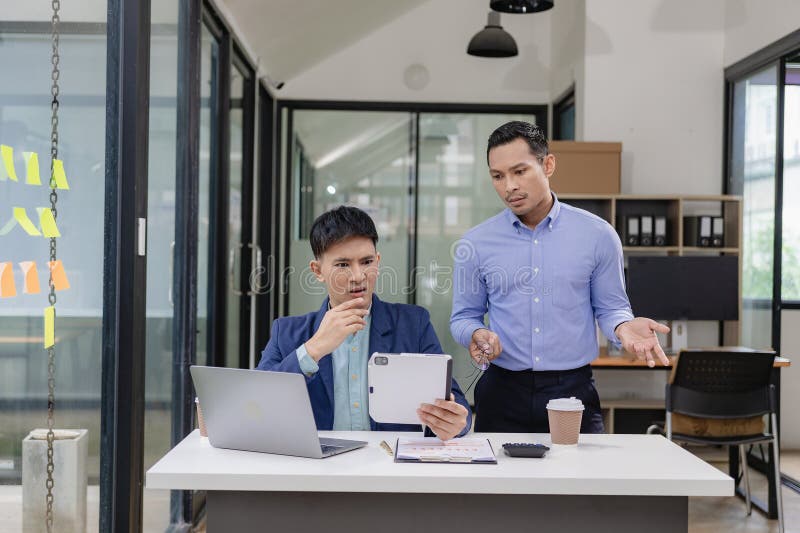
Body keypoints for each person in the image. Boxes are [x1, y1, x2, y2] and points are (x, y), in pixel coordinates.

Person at [450, 121, 669, 433]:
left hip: (572, 390)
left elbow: (610, 308)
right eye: (498, 176)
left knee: (582, 480)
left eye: (520, 171)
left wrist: (622, 326)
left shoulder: (598, 235)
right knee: (500, 482)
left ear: (547, 164)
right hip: (502, 390)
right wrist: (474, 334)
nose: (509, 185)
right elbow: (463, 316)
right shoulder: (475, 243)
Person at [258, 205, 471, 440]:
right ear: (317, 270)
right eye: (342, 265)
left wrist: (454, 423)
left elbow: (456, 404)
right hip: (317, 466)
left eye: (367, 261)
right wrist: (313, 349)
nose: (358, 276)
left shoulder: (413, 324)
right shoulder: (287, 332)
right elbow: (259, 405)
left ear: (378, 262)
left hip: (389, 465)